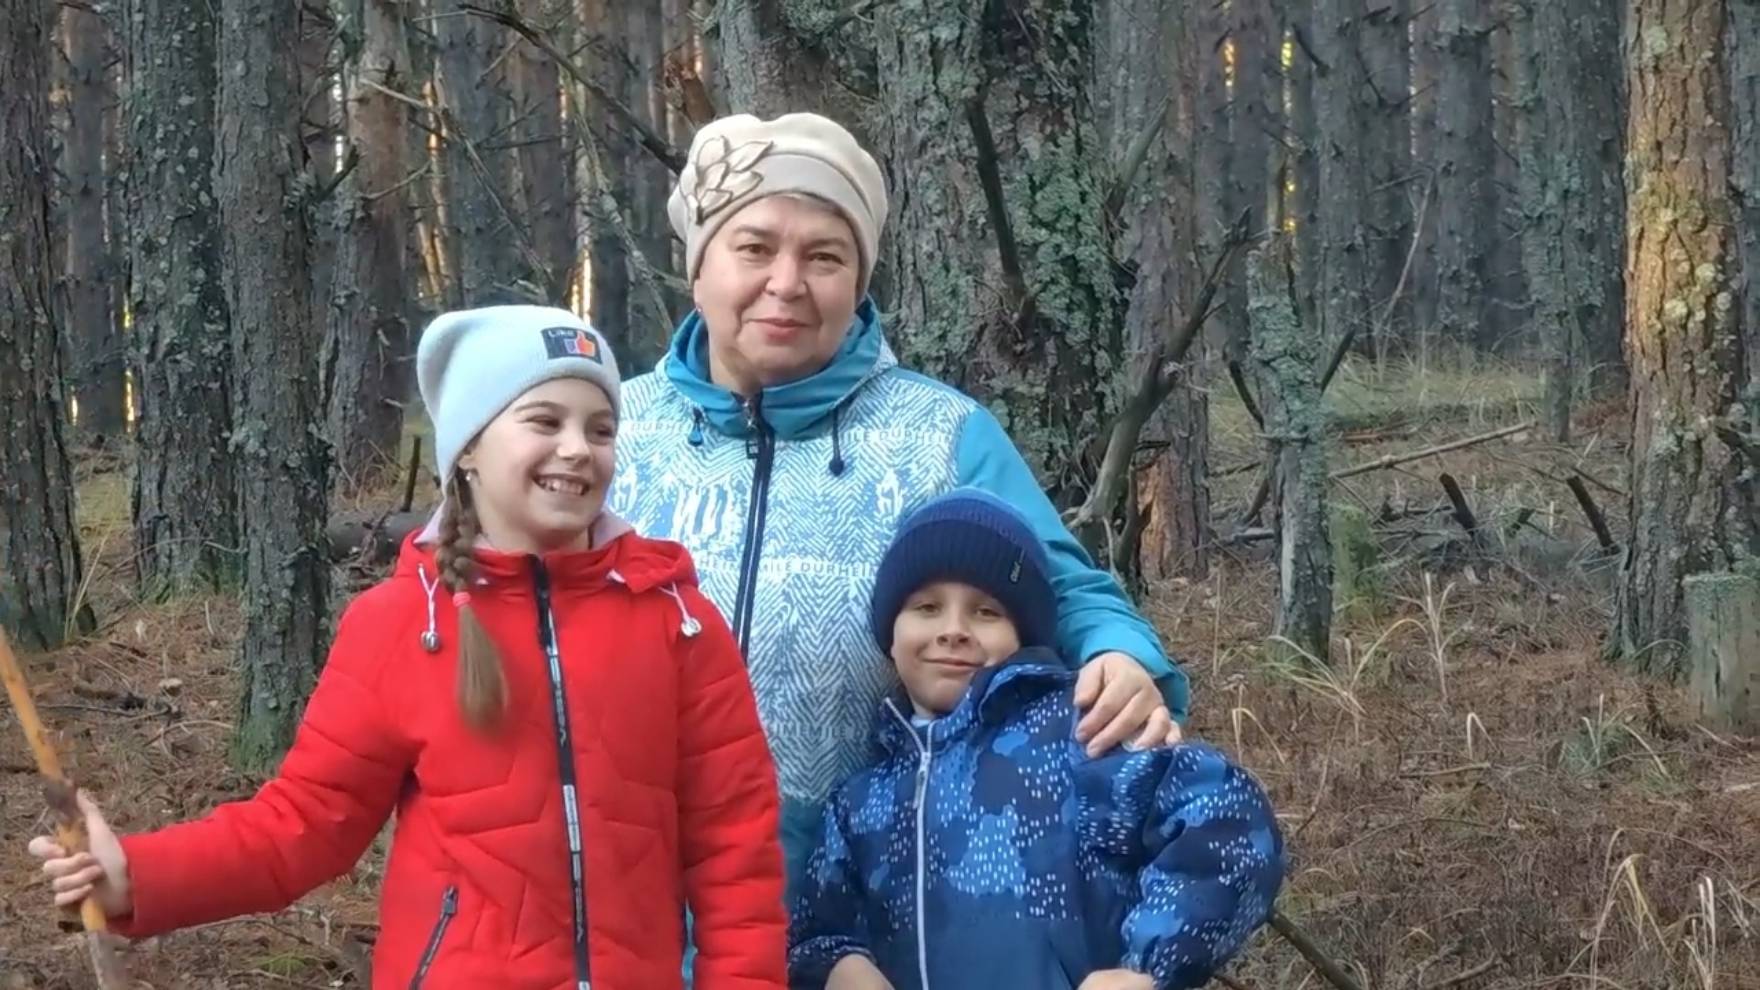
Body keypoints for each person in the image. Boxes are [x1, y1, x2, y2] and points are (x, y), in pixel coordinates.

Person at [28, 307, 788, 989]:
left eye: (600, 429)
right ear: (468, 449)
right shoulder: (399, 624)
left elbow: (736, 855)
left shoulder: (677, 620)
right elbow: (301, 827)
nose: (577, 449)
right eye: (544, 420)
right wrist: (138, 877)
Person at [610, 111, 1192, 897]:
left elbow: (1072, 593)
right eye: (754, 248)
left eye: (825, 256)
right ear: (698, 268)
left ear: (858, 281)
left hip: (866, 896)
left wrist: (1120, 658)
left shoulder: (940, 436)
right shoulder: (609, 429)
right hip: (620, 897)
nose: (787, 283)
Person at [787, 490, 1283, 990]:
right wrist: (841, 965)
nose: (954, 630)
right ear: (889, 634)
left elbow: (1229, 821)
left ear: (1024, 635)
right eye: (927, 607)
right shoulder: (860, 800)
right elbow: (818, 931)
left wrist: (1148, 966)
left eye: (986, 612)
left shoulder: (1079, 734)